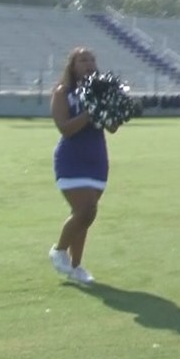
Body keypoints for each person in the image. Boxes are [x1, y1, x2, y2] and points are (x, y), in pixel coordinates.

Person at [48, 47, 117, 286]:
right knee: (86, 210)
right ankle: (59, 251)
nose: (89, 63)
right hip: (71, 159)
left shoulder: (101, 91)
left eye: (92, 59)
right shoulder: (62, 92)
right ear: (73, 66)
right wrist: (90, 111)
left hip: (96, 159)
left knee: (85, 215)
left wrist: (113, 106)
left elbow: (112, 127)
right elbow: (65, 128)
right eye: (83, 60)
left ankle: (76, 267)